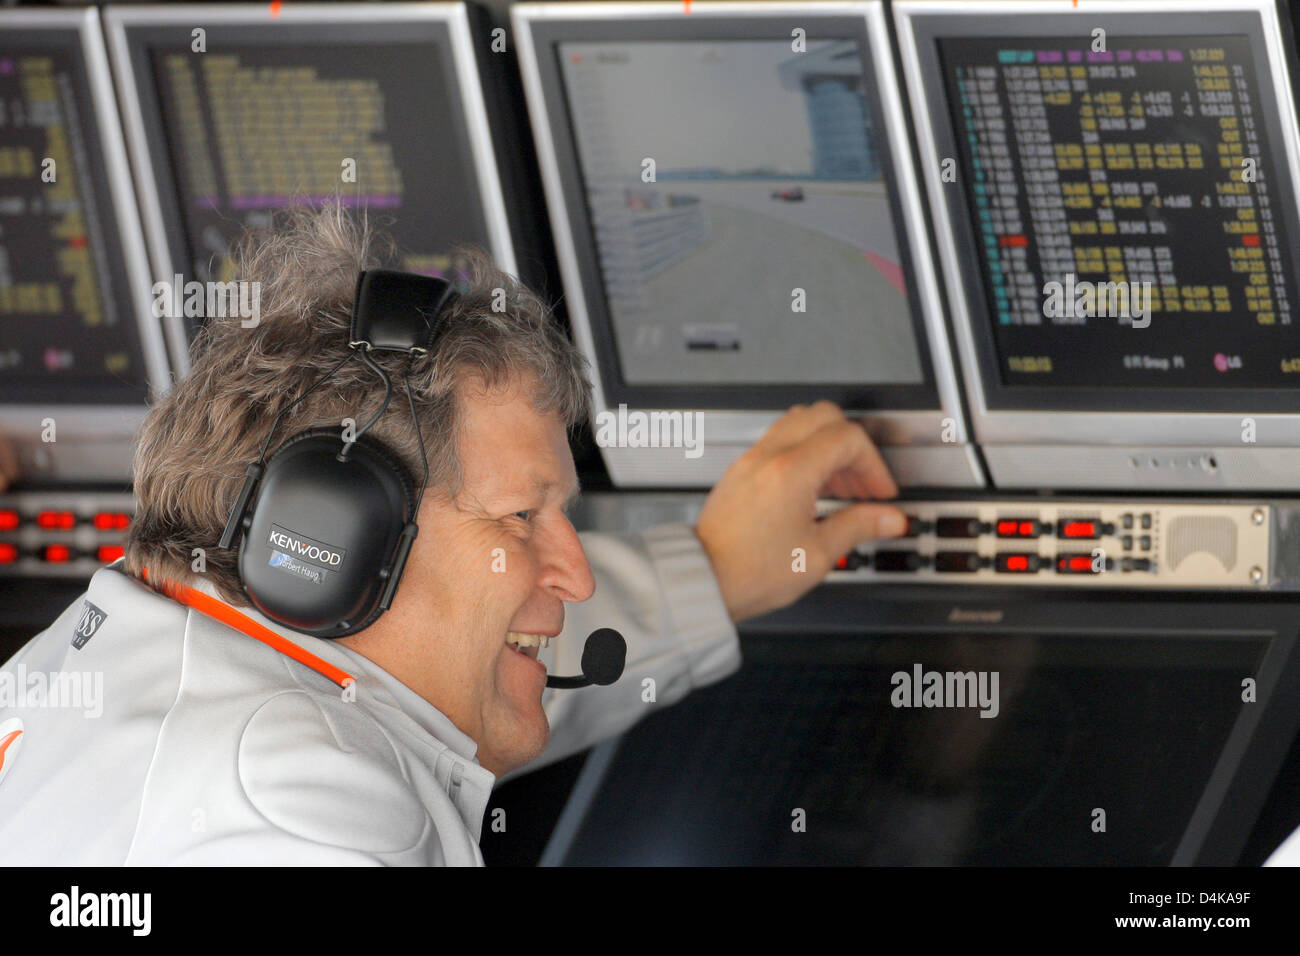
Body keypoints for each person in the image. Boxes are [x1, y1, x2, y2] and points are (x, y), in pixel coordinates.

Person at [0, 202, 907, 865]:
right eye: (523, 516)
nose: (577, 577)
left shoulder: (106, 667)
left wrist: (713, 571)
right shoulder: (301, 814)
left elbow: (443, 684)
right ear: (334, 536)